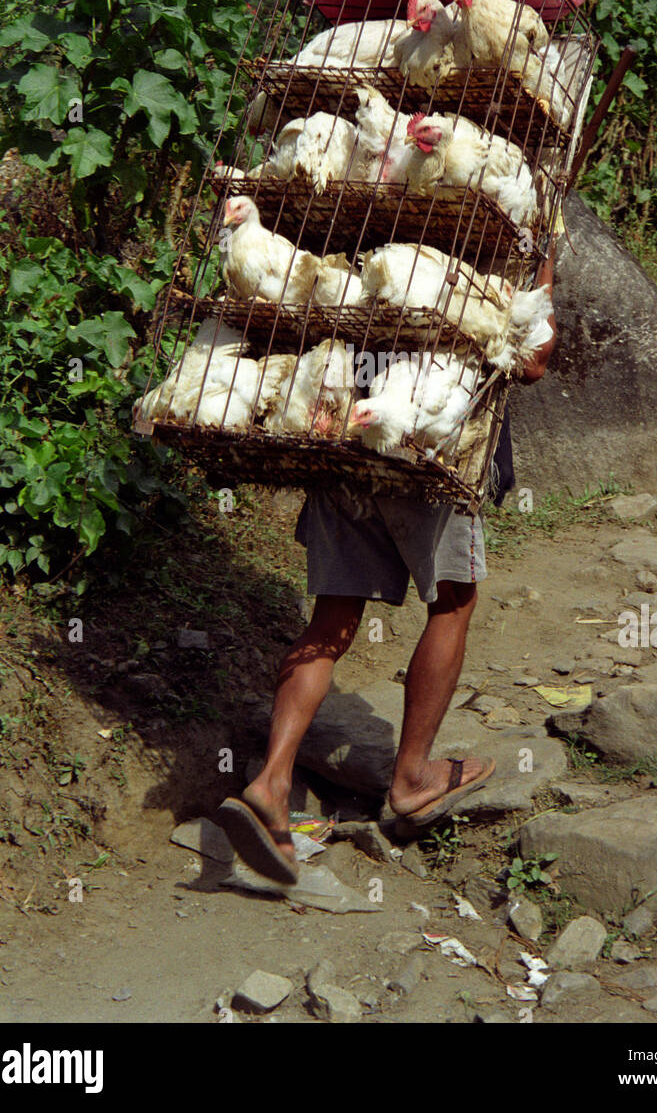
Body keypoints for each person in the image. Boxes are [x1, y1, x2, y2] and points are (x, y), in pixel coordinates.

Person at [216, 244, 559, 885]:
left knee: (332, 618)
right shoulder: (512, 227)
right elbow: (533, 361)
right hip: (431, 450)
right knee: (453, 601)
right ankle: (412, 776)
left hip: (343, 428)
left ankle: (272, 780)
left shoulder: (363, 221)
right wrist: (544, 276)